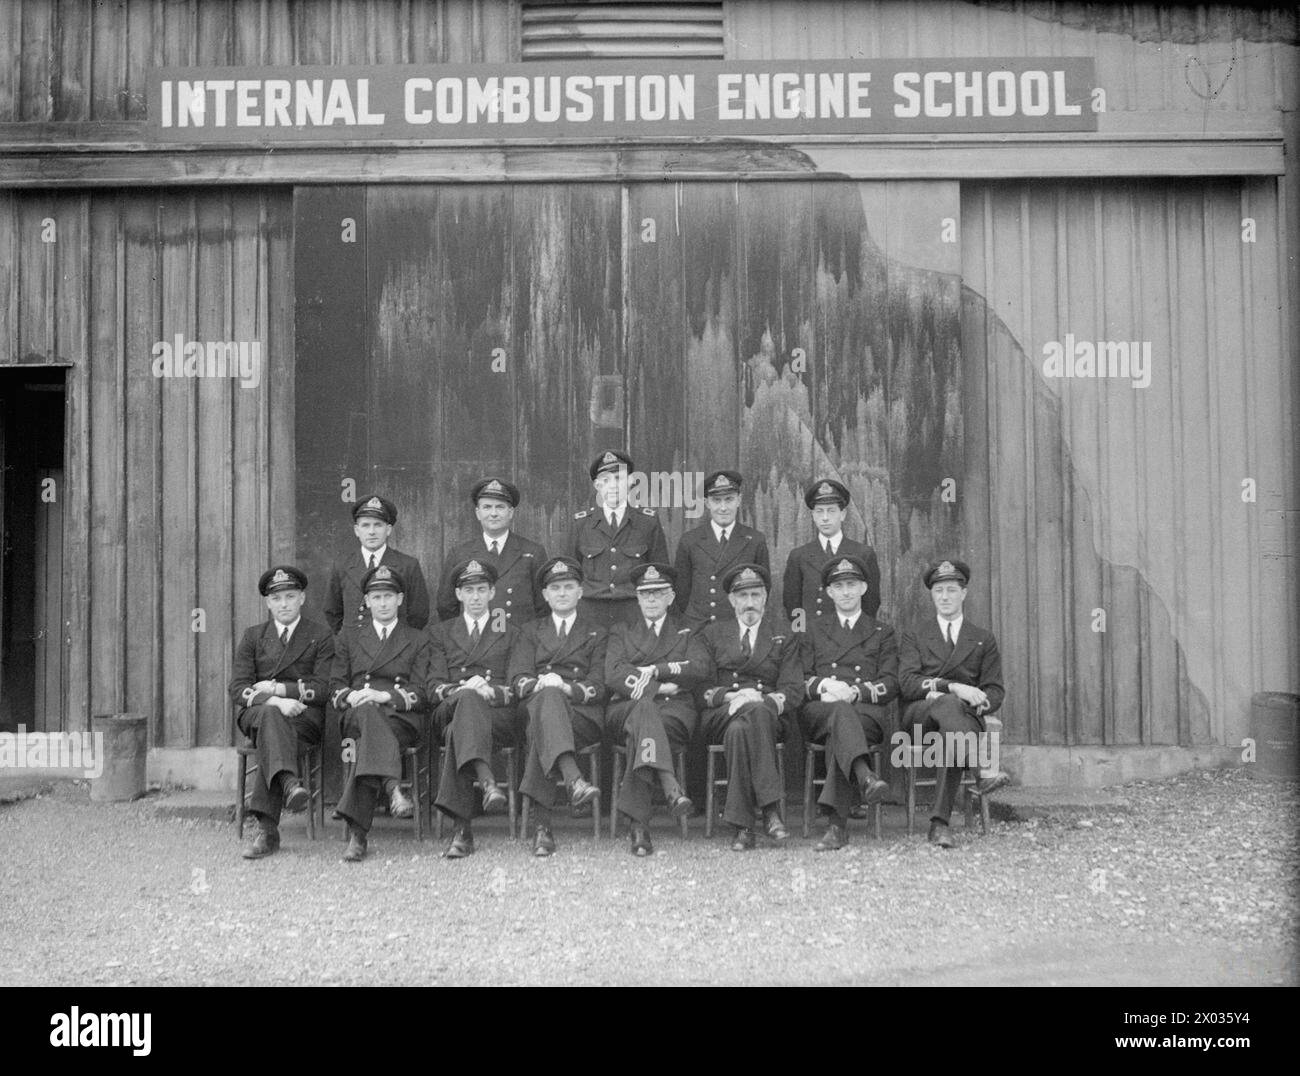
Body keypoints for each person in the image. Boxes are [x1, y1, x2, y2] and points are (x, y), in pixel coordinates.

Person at [898, 558, 1010, 848]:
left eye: (951, 590)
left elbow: (995, 690)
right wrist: (954, 688)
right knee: (948, 703)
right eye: (939, 591)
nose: (945, 597)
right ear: (932, 595)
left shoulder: (983, 638)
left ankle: (939, 825)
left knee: (953, 729)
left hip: (963, 720)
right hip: (921, 716)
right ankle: (982, 769)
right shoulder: (915, 634)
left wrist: (978, 702)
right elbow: (907, 683)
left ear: (964, 593)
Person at [692, 563, 800, 850]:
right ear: (731, 600)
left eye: (755, 595)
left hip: (767, 717)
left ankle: (743, 827)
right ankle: (770, 810)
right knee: (747, 716)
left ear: (765, 598)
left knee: (741, 731)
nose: (749, 603)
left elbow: (793, 689)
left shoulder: (782, 634)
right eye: (742, 596)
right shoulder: (712, 634)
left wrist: (760, 700)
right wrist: (732, 696)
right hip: (720, 714)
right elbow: (700, 688)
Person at [229, 566, 334, 859]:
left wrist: (279, 691)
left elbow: (324, 687)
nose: (284, 604)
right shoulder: (253, 637)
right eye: (277, 598)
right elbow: (237, 687)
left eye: (290, 596)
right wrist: (275, 703)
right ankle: (289, 782)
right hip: (259, 714)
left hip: (304, 718)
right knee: (272, 720)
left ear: (302, 598)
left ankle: (268, 831)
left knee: (272, 737)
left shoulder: (320, 635)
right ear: (268, 603)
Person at [330, 564, 431, 862]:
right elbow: (335, 686)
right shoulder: (349, 638)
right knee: (367, 712)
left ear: (400, 599)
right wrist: (354, 695)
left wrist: (385, 695)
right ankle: (392, 788)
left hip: (400, 717)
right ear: (367, 602)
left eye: (388, 596)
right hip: (357, 714)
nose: (383, 602)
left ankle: (358, 836)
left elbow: (422, 691)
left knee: (371, 728)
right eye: (376, 597)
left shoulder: (418, 638)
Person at [796, 555, 896, 851]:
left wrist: (855, 692)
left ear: (864, 588)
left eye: (852, 584)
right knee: (838, 715)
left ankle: (837, 827)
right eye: (839, 586)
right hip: (820, 711)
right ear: (829, 592)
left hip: (865, 712)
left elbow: (891, 683)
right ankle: (864, 776)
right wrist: (825, 684)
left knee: (840, 728)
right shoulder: (812, 629)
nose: (846, 592)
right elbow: (799, 678)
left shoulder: (882, 632)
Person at [508, 556, 605, 857]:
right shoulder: (531, 631)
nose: (562, 593)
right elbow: (518, 678)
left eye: (569, 587)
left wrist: (565, 687)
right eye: (555, 588)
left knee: (544, 719)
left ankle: (542, 828)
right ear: (545, 595)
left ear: (580, 592)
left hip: (582, 716)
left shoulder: (597, 632)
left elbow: (600, 685)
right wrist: (542, 684)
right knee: (546, 706)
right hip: (541, 708)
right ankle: (573, 779)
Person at [604, 562, 698, 856]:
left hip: (674, 713)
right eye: (646, 595)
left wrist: (655, 670)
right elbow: (614, 673)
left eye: (659, 593)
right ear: (638, 598)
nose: (652, 600)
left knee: (642, 728)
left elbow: (699, 667)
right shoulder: (621, 631)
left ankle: (638, 826)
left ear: (671, 597)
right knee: (645, 710)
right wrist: (658, 688)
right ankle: (670, 786)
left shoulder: (688, 630)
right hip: (627, 709)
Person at [429, 558, 519, 859]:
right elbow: (434, 687)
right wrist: (466, 689)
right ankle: (487, 781)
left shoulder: (509, 629)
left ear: (493, 592)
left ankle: (462, 831)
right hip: (450, 709)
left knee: (461, 730)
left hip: (496, 715)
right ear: (458, 595)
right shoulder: (441, 632)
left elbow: (518, 686)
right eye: (469, 590)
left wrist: (488, 690)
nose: (476, 597)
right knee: (465, 703)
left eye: (482, 589)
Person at [568, 449, 669, 630]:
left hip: (633, 613)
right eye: (605, 480)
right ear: (597, 486)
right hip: (591, 614)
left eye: (618, 478)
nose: (613, 486)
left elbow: (661, 572)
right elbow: (571, 574)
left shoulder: (647, 522)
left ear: (630, 481)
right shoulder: (581, 524)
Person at [435, 476, 548, 625]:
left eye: (500, 507)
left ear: (511, 512)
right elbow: (446, 606)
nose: (493, 513)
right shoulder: (459, 554)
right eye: (487, 507)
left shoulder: (533, 552)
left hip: (520, 642)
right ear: (478, 513)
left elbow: (544, 606)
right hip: (476, 643)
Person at [672, 470, 770, 629]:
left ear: (739, 500)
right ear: (707, 503)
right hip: (699, 629)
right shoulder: (690, 540)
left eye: (729, 499)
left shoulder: (755, 540)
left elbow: (764, 590)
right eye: (717, 500)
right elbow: (681, 591)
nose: (723, 508)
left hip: (736, 628)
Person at [324, 494, 430, 633]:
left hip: (395, 647)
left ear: (388, 529)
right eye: (366, 525)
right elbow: (332, 611)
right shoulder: (342, 565)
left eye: (378, 525)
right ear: (357, 530)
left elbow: (419, 614)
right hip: (355, 647)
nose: (372, 532)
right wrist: (349, 641)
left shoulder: (408, 565)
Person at [782, 478, 882, 624]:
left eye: (831, 511)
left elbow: (871, 603)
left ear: (843, 514)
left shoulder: (863, 554)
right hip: (812, 640)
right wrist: (803, 637)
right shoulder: (799, 556)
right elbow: (792, 605)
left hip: (849, 639)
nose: (825, 518)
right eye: (819, 512)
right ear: (813, 516)